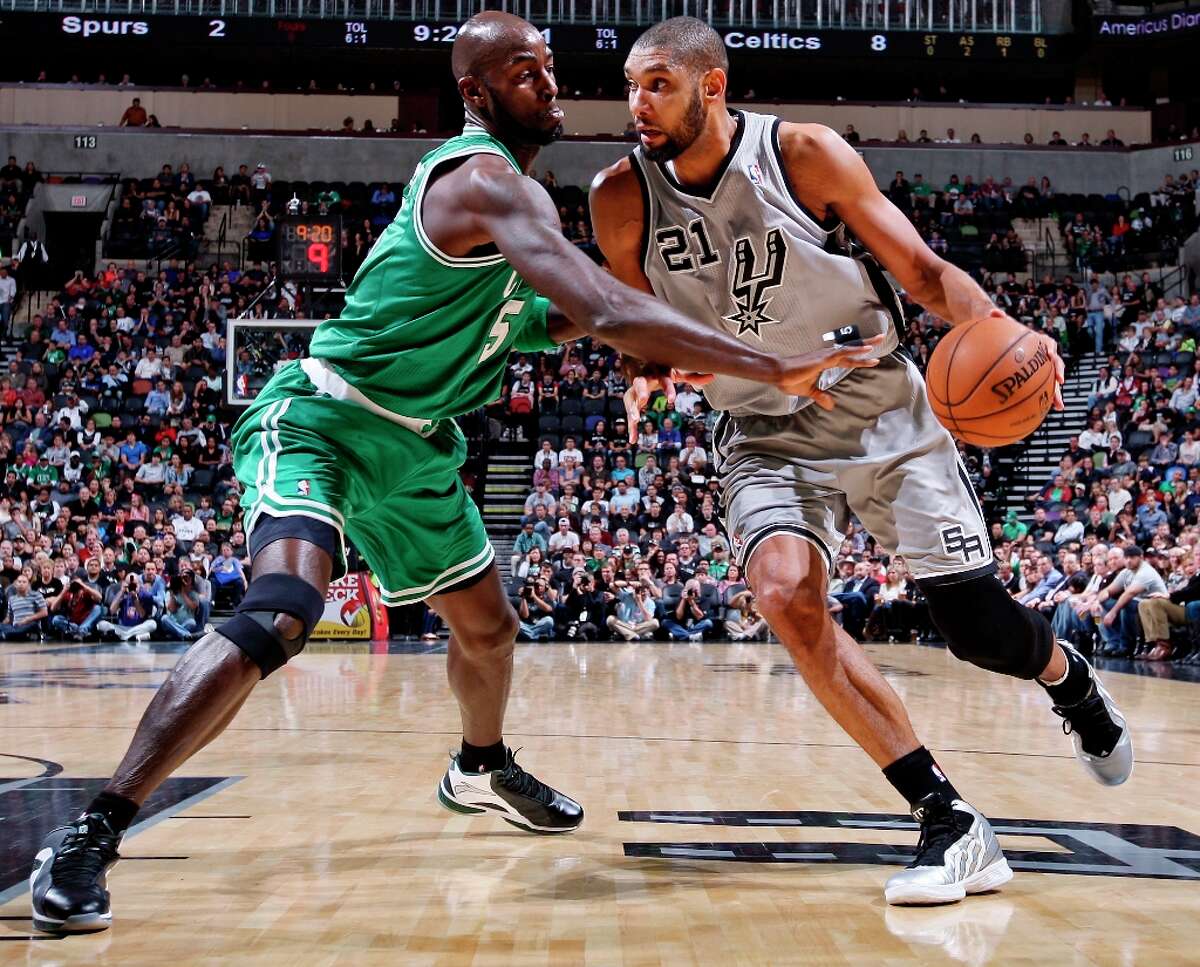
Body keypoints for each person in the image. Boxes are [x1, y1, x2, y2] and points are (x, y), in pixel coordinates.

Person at [30, 11, 872, 935]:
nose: (548, 83)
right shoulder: (483, 180)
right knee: (283, 611)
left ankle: (479, 765)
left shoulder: (515, 207)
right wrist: (768, 363)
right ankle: (92, 829)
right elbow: (597, 304)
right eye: (524, 71)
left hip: (418, 446)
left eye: (549, 67)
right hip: (324, 420)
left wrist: (662, 324)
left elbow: (551, 320)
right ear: (476, 92)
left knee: (490, 627)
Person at [590, 16, 1132, 907]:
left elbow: (921, 271)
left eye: (658, 85)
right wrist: (647, 372)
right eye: (630, 86)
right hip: (762, 431)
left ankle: (1066, 677)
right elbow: (640, 325)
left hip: (878, 405)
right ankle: (947, 817)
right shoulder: (621, 198)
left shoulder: (801, 155)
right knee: (783, 595)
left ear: (711, 86)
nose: (637, 105)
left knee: (980, 633)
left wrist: (1003, 329)